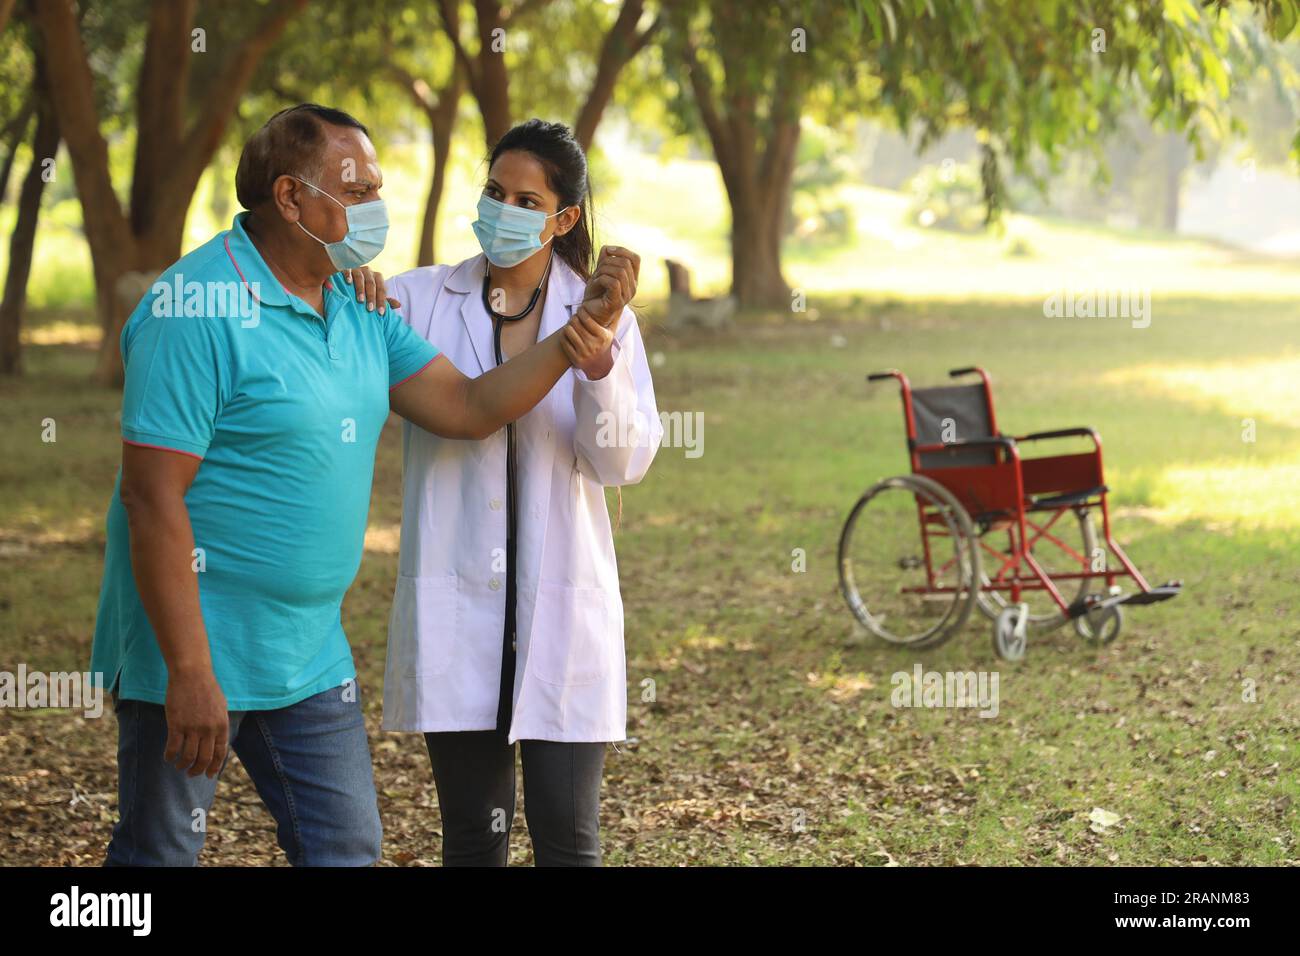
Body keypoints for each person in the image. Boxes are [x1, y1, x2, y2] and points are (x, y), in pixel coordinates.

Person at [89, 104, 634, 866]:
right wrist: (187, 671)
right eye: (358, 191)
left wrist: (579, 341)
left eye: (378, 187)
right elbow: (150, 499)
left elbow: (470, 406)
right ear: (290, 198)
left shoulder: (358, 307)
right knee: (159, 855)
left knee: (345, 847)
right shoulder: (192, 309)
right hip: (193, 644)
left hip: (309, 655)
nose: (376, 207)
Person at [352, 119, 659, 866]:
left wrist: (599, 365)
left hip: (561, 611)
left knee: (569, 840)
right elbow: (352, 345)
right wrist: (353, 286)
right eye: (495, 192)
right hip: (460, 611)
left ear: (564, 220)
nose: (504, 210)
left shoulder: (600, 318)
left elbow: (623, 462)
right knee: (472, 838)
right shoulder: (422, 300)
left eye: (527, 200)